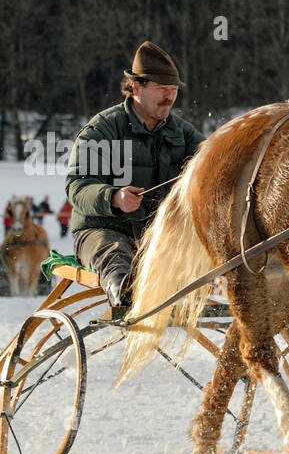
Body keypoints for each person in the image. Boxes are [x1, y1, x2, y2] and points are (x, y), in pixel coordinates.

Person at [66, 41, 204, 307]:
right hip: (102, 229)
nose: (169, 97)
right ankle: (124, 295)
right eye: (162, 89)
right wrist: (113, 198)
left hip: (158, 235)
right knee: (116, 253)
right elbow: (77, 187)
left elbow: (214, 165)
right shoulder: (103, 129)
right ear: (136, 87)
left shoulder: (184, 134)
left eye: (173, 90)